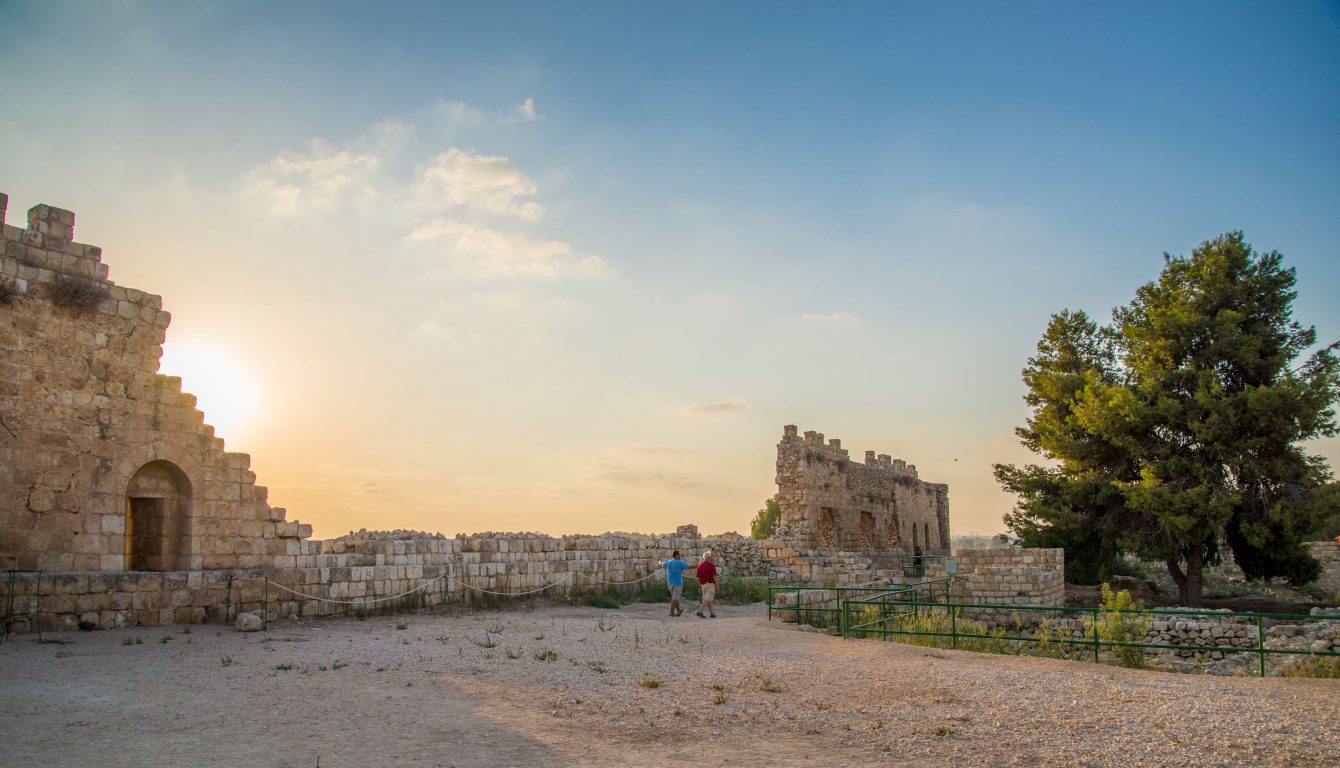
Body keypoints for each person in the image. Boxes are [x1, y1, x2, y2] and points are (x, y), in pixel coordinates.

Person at [660, 550, 691, 617]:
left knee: (675, 597)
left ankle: (678, 610)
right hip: (678, 583)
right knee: (675, 598)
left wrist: (659, 562)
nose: (680, 556)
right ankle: (671, 612)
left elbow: (661, 564)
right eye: (679, 555)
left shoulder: (668, 562)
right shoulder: (680, 563)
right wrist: (699, 565)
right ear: (676, 555)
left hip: (670, 583)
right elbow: (689, 566)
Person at [695, 550, 718, 618]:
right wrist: (717, 585)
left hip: (703, 585)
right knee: (707, 599)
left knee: (708, 599)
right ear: (709, 557)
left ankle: (712, 613)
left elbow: (697, 577)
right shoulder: (711, 565)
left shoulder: (700, 565)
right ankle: (700, 611)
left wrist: (699, 586)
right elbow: (714, 576)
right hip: (710, 584)